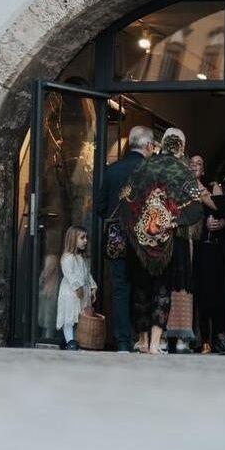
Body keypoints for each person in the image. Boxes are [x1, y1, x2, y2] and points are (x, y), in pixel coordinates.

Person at [116, 127, 212, 354]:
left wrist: (141, 225)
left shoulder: (144, 166)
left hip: (141, 242)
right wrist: (171, 222)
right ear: (181, 148)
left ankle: (142, 339)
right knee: (162, 290)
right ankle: (154, 344)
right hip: (170, 242)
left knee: (141, 289)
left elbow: (125, 200)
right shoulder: (182, 171)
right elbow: (196, 210)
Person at [100, 126, 154, 352]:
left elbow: (100, 207)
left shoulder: (112, 170)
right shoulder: (151, 169)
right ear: (149, 146)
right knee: (145, 287)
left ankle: (123, 341)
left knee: (121, 288)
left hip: (117, 236)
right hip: (145, 237)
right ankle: (144, 340)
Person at [191, 154, 225, 352]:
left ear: (204, 170)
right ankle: (200, 338)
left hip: (211, 248)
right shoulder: (184, 188)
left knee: (213, 293)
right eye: (191, 163)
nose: (194, 166)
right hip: (193, 247)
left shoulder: (213, 188)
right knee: (197, 293)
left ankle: (216, 337)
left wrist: (222, 223)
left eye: (199, 163)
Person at [56, 225, 96, 351]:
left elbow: (87, 274)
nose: (86, 240)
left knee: (80, 318)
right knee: (69, 317)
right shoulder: (68, 258)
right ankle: (70, 341)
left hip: (82, 293)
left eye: (86, 238)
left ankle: (76, 340)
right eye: (82, 238)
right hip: (71, 293)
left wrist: (93, 286)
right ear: (73, 239)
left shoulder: (82, 258)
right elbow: (69, 274)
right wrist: (77, 287)